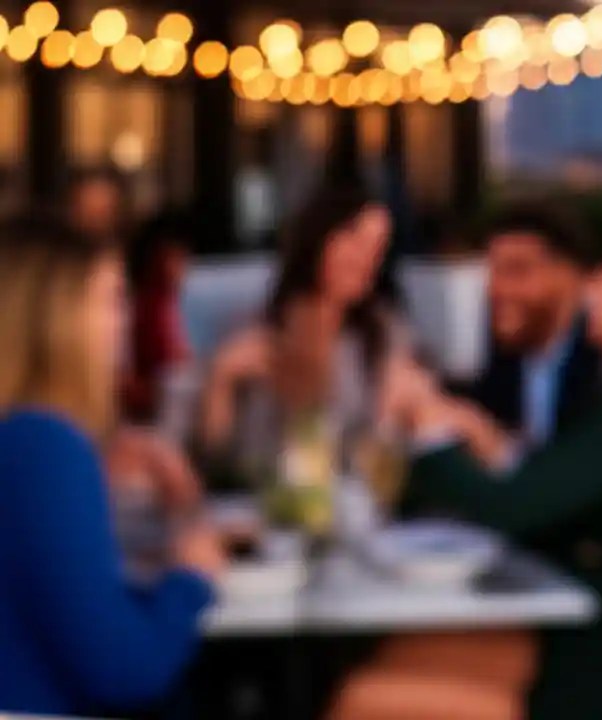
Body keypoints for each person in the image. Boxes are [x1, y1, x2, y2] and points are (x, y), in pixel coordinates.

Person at [392, 205, 602, 719]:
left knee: (372, 693)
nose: (594, 284)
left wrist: (424, 433)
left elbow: (516, 506)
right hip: (593, 636)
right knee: (399, 661)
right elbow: (552, 492)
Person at [0, 218, 223, 716]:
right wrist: (191, 577)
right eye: (111, 300)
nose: (125, 319)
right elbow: (125, 671)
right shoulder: (44, 446)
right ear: (56, 318)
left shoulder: (25, 441)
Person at [197, 185, 405, 485]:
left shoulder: (382, 335)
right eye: (355, 238)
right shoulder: (252, 332)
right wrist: (221, 381)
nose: (366, 257)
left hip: (349, 500)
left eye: (378, 247)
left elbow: (384, 451)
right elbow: (214, 459)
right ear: (320, 236)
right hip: (259, 499)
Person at [467, 201, 602, 451]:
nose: (497, 289)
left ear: (572, 278)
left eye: (517, 271)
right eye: (493, 271)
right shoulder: (490, 360)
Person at [123, 209, 195, 423]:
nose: (182, 267)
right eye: (174, 258)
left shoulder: (168, 303)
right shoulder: (148, 305)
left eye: (183, 257)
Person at [66, 166, 129, 245]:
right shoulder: (53, 252)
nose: (94, 224)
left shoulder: (133, 251)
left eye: (103, 214)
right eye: (88, 214)